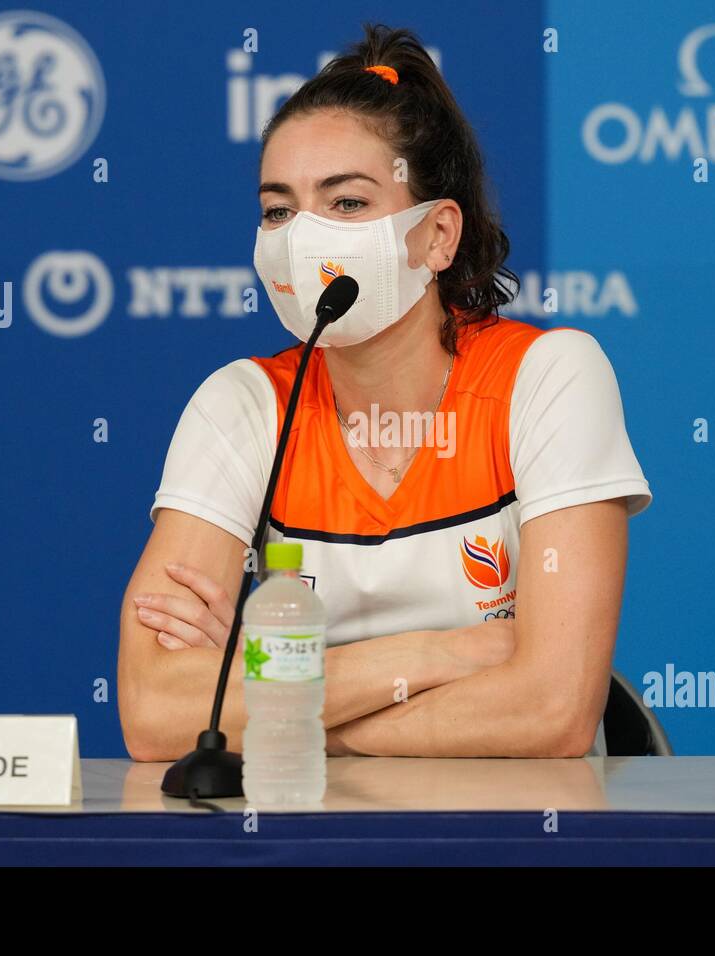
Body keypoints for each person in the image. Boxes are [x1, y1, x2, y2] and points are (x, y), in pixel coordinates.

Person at [117, 24, 651, 761]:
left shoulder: (548, 377)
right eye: (279, 210)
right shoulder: (240, 404)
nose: (302, 239)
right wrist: (447, 655)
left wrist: (280, 716)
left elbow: (552, 711)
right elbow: (154, 712)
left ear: (436, 236)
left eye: (345, 204)